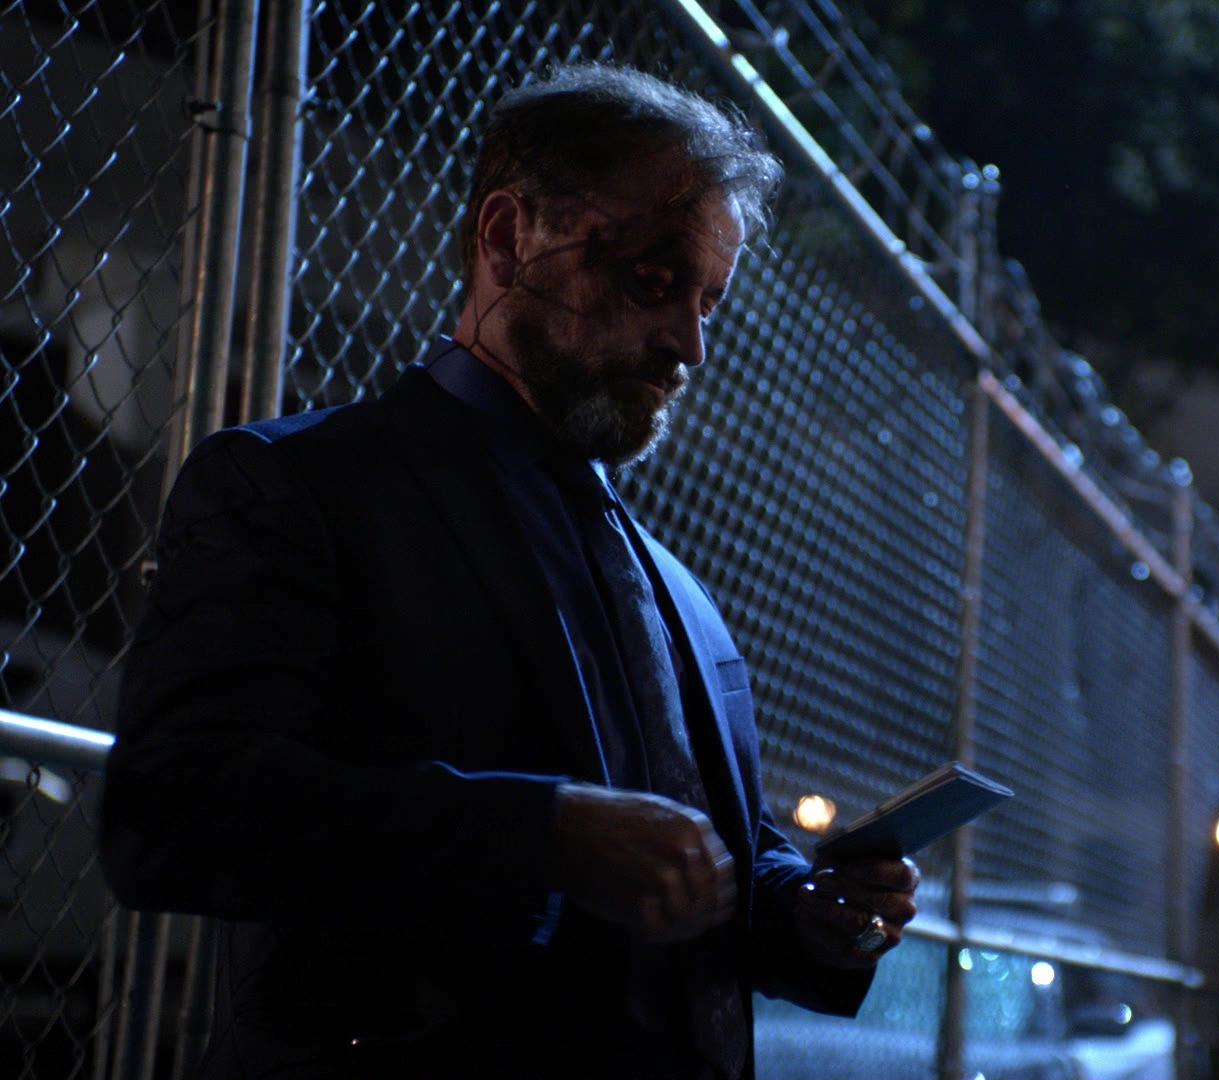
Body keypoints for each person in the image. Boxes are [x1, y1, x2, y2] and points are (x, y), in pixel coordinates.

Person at [101, 64, 920, 1080]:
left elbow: (681, 846)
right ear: (507, 238)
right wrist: (542, 832)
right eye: (654, 280)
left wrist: (805, 908)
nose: (690, 345)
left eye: (711, 301)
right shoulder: (299, 487)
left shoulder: (676, 590)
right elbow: (173, 812)